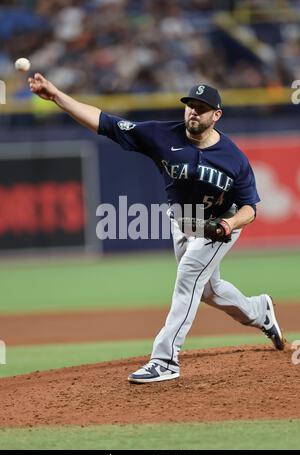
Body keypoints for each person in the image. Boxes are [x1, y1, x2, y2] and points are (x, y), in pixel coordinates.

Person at [29, 74, 285, 384]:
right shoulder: (163, 136)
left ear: (216, 115)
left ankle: (165, 360)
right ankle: (259, 311)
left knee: (188, 276)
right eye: (190, 105)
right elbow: (105, 123)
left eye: (202, 108)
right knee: (207, 290)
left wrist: (228, 224)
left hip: (219, 223)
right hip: (183, 220)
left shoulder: (234, 158)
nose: (193, 111)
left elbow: (250, 209)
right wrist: (56, 95)